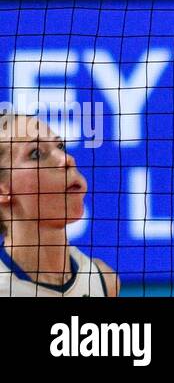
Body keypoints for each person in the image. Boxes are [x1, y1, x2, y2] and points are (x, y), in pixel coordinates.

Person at [0, 111, 119, 296]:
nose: (67, 159)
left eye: (60, 146)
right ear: (2, 190)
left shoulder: (103, 280)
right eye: (36, 154)